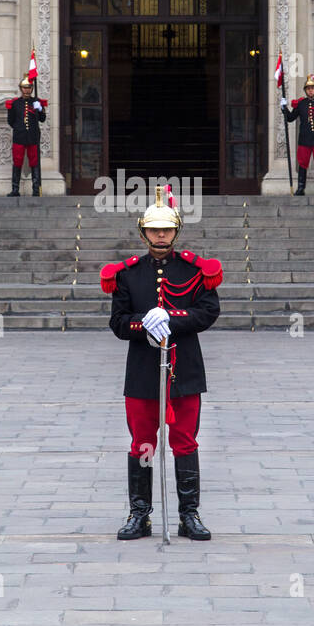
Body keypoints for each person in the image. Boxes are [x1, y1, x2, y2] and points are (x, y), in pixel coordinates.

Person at [102, 186, 222, 540]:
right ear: (143, 233)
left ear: (176, 231)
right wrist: (144, 325)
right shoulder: (127, 274)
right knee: (142, 442)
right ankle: (140, 514)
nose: (160, 235)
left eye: (166, 230)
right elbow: (119, 323)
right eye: (154, 230)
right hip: (142, 370)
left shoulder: (195, 270)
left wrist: (171, 319)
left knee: (185, 441)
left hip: (184, 369)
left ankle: (189, 515)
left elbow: (208, 311)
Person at [280, 74, 314, 195]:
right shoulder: (300, 104)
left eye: (312, 88)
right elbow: (290, 118)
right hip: (304, 139)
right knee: (303, 163)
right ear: (305, 90)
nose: (310, 90)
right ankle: (301, 188)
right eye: (308, 89)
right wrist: (284, 108)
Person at [5, 76, 46, 196]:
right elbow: (11, 120)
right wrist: (19, 128)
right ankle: (15, 189)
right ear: (21, 89)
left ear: (32, 89)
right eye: (25, 88)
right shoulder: (15, 103)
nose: (27, 90)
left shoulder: (36, 102)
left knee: (34, 161)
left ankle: (36, 189)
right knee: (17, 161)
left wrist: (40, 110)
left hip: (33, 136)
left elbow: (42, 119)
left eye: (29, 88)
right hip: (19, 136)